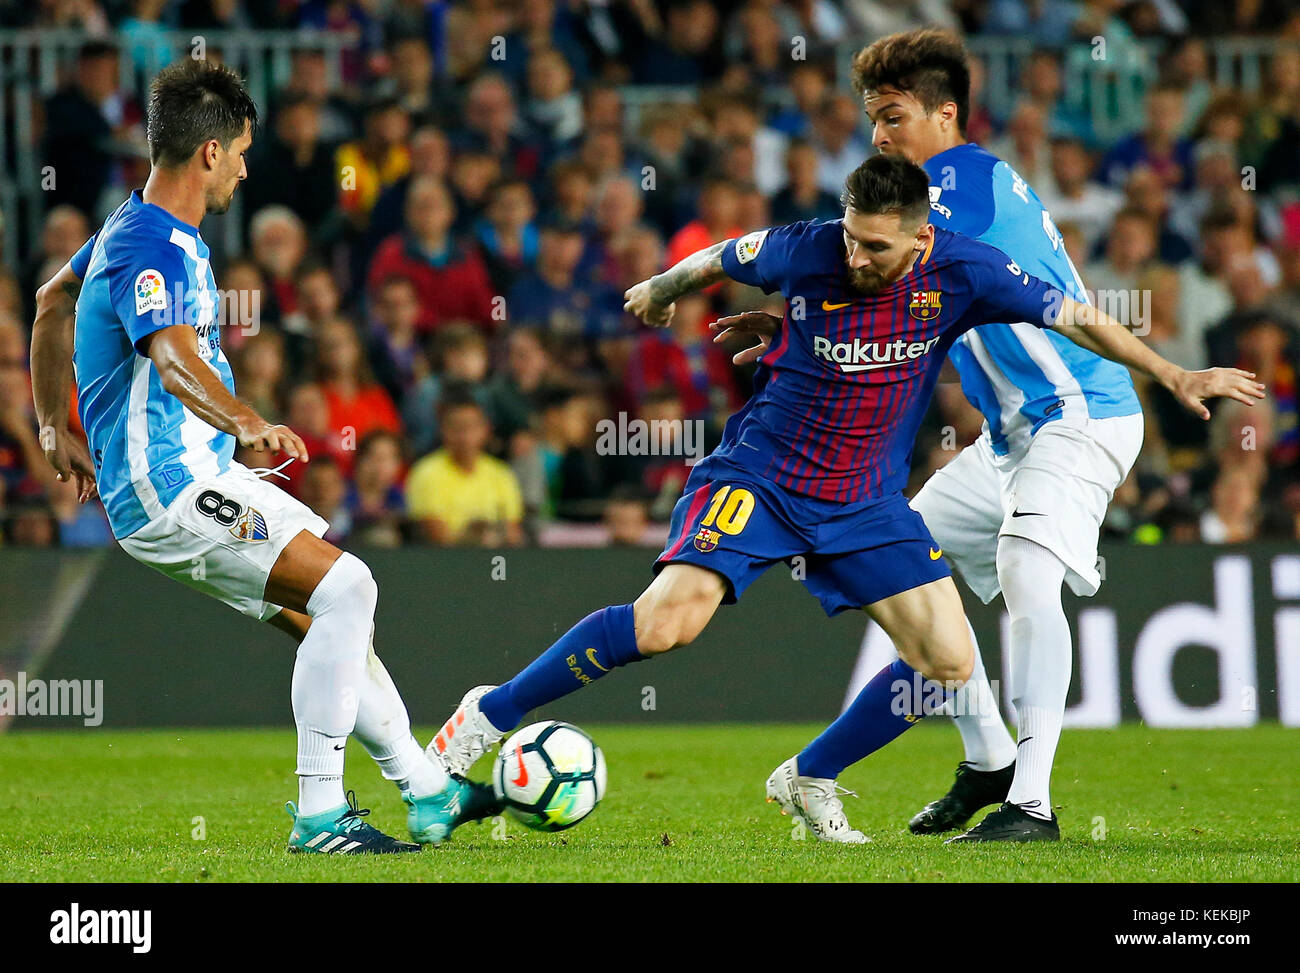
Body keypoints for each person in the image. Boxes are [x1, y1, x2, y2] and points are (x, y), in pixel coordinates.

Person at [424, 154, 1261, 842]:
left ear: (923, 237)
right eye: (854, 240)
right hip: (763, 477)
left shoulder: (965, 271)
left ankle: (808, 776)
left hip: (865, 503)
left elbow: (1075, 315)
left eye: (877, 248)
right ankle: (486, 714)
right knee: (664, 625)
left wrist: (1172, 372)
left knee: (948, 663)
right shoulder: (808, 246)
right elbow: (721, 257)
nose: (859, 258)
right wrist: (664, 288)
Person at [730, 28, 1263, 842]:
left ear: (946, 115)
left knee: (1024, 569)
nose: (879, 136)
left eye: (894, 116)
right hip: (1009, 439)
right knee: (908, 568)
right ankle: (987, 759)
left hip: (1080, 416)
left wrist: (1174, 374)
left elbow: (871, 260)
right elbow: (891, 300)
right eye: (873, 119)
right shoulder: (931, 206)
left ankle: (1033, 803)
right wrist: (798, 323)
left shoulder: (965, 185)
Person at [28, 59, 494, 856]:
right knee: (351, 586)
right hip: (169, 483)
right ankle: (319, 816)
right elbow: (172, 358)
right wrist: (244, 418)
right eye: (241, 150)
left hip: (187, 481)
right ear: (209, 152)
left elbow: (49, 302)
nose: (246, 166)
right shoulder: (151, 243)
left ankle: (425, 791)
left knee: (332, 616)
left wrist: (49, 425)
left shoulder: (128, 223)